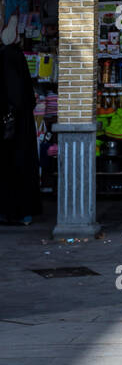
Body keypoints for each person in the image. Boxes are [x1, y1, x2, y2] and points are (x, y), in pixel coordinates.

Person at [0, 15, 41, 225]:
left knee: (11, 168)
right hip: (22, 123)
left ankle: (12, 211)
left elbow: (12, 93)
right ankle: (24, 210)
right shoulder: (16, 56)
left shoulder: (7, 57)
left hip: (12, 125)